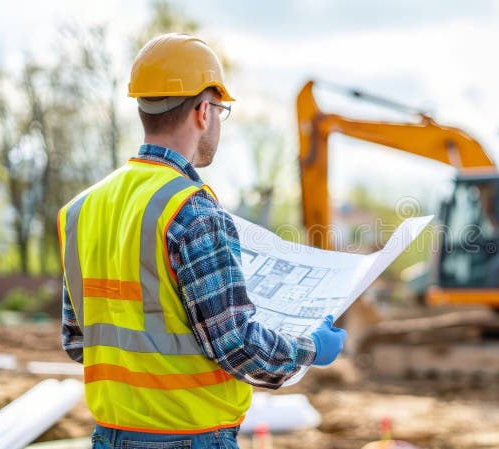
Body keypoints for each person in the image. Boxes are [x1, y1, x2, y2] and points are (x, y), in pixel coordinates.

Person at [58, 33, 346, 449]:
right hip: (191, 438)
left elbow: (78, 342)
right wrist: (309, 349)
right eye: (221, 111)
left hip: (110, 437)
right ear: (203, 111)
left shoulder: (80, 210)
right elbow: (236, 345)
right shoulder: (191, 210)